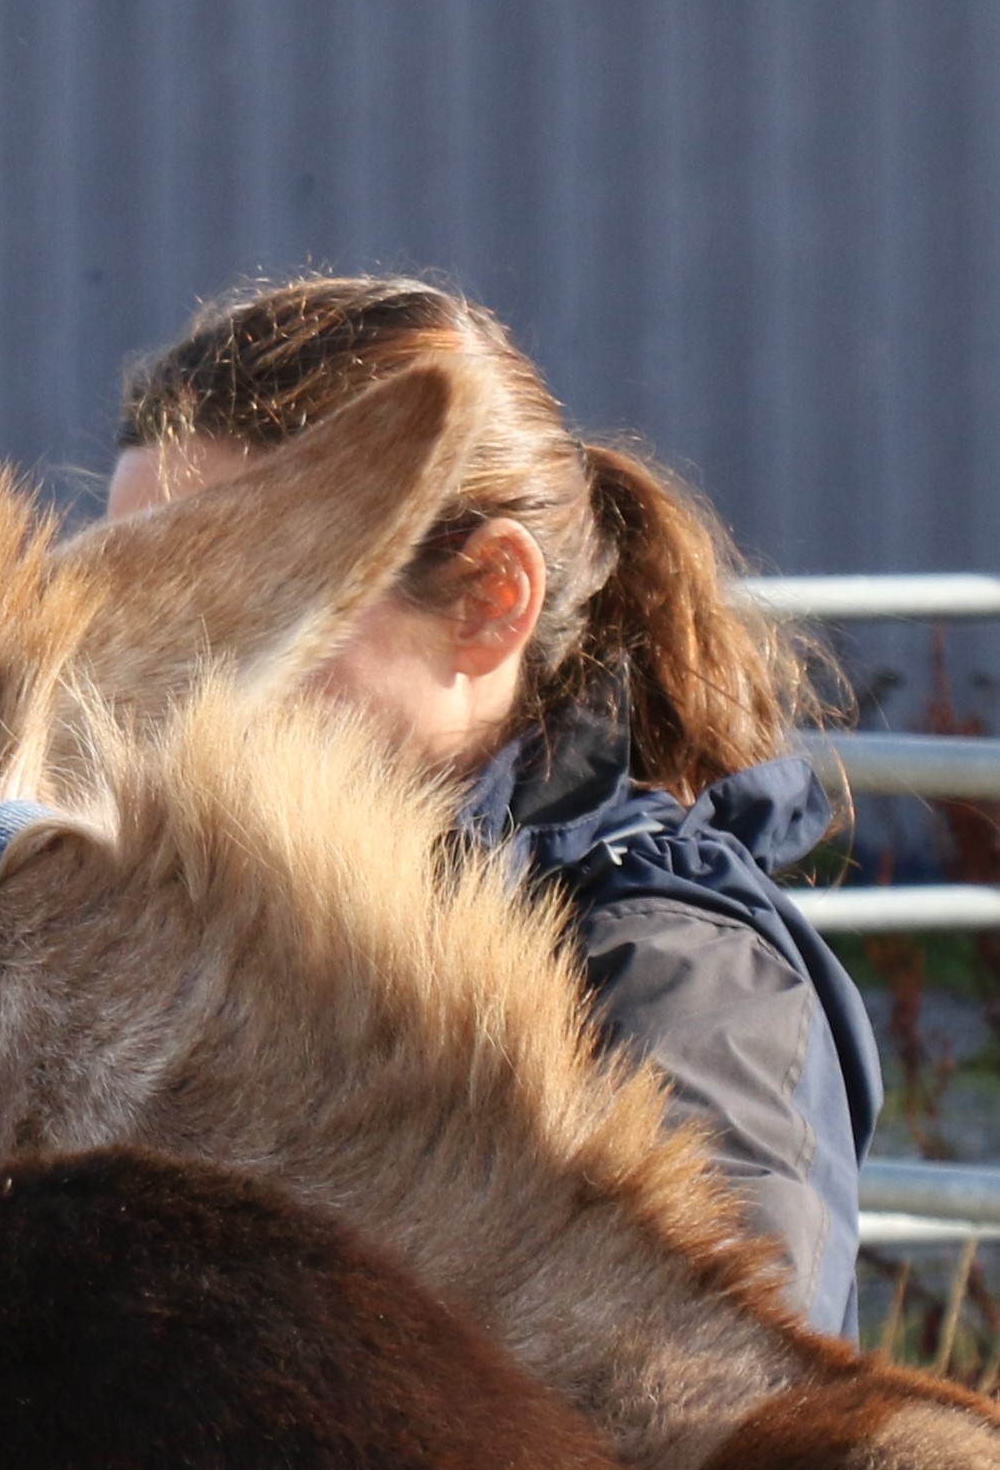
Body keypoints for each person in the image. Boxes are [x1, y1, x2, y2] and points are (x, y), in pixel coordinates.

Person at [109, 274, 880, 1333]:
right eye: (124, 603)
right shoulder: (188, 926)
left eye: (238, 610)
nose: (148, 679)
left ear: (486, 602)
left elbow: (697, 1441)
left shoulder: (669, 981)